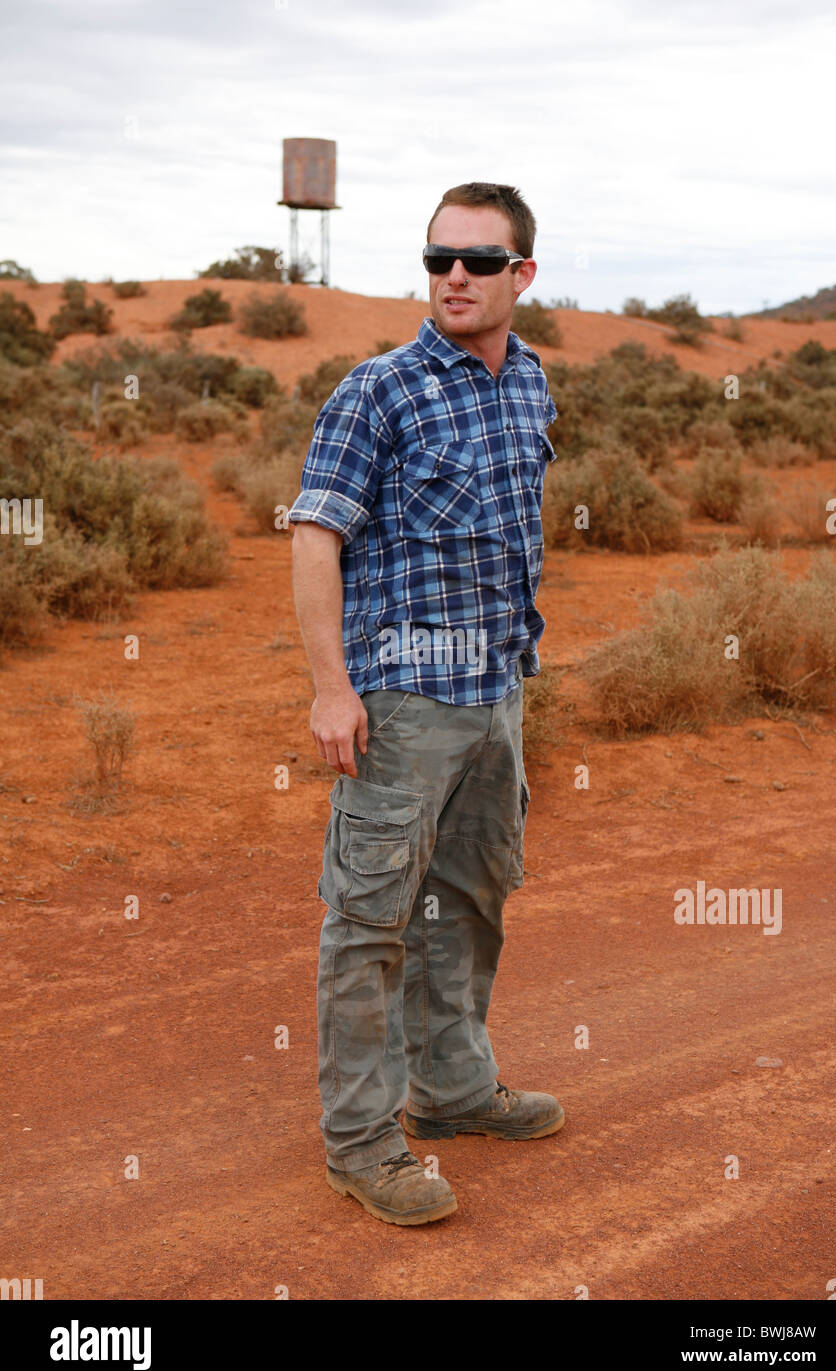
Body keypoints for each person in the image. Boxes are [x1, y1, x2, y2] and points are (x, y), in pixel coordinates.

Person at [288, 181, 564, 1227]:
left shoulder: (529, 382)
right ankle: (361, 1140)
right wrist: (331, 687)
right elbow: (315, 533)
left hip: (495, 692)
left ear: (519, 275)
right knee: (370, 921)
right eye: (438, 258)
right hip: (400, 701)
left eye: (478, 261)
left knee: (472, 898)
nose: (454, 276)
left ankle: (450, 1088)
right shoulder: (380, 390)